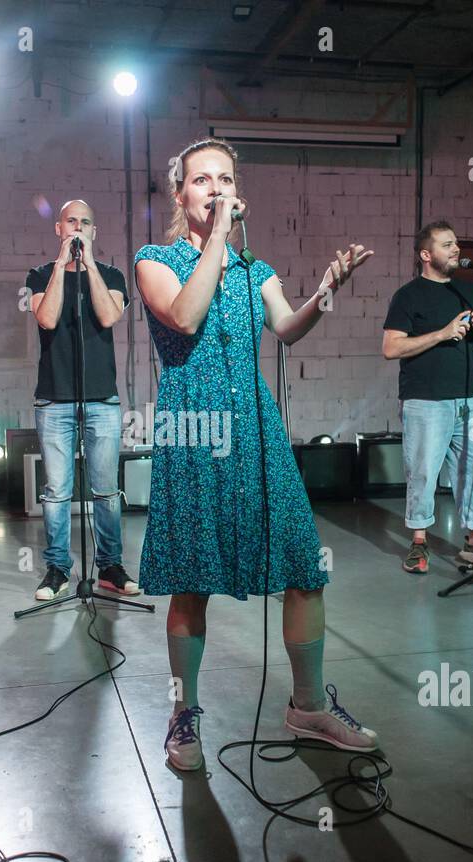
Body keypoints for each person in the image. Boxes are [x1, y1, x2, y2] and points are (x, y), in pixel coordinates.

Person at [134, 137, 378, 772]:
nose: (214, 188)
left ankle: (307, 706)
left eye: (225, 179)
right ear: (180, 193)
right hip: (192, 428)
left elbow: (288, 327)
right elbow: (185, 318)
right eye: (201, 180)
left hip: (255, 428)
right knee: (192, 581)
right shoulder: (154, 260)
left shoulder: (255, 271)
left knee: (301, 564)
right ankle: (183, 719)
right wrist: (218, 238)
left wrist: (325, 289)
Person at [381, 221, 473, 576]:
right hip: (425, 401)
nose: (455, 250)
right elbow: (391, 347)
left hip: (469, 400)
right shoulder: (408, 296)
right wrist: (441, 333)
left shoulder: (468, 292)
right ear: (426, 255)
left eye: (455, 243)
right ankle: (419, 543)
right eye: (446, 245)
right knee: (422, 473)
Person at [26, 199, 140, 600]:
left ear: (95, 232)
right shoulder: (40, 275)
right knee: (57, 491)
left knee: (106, 489)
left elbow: (108, 316)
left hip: (101, 399)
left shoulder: (111, 274)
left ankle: (109, 566)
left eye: (85, 222)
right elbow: (47, 318)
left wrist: (88, 264)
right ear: (59, 229)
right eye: (71, 221)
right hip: (54, 398)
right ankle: (57, 569)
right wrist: (61, 265)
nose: (78, 228)